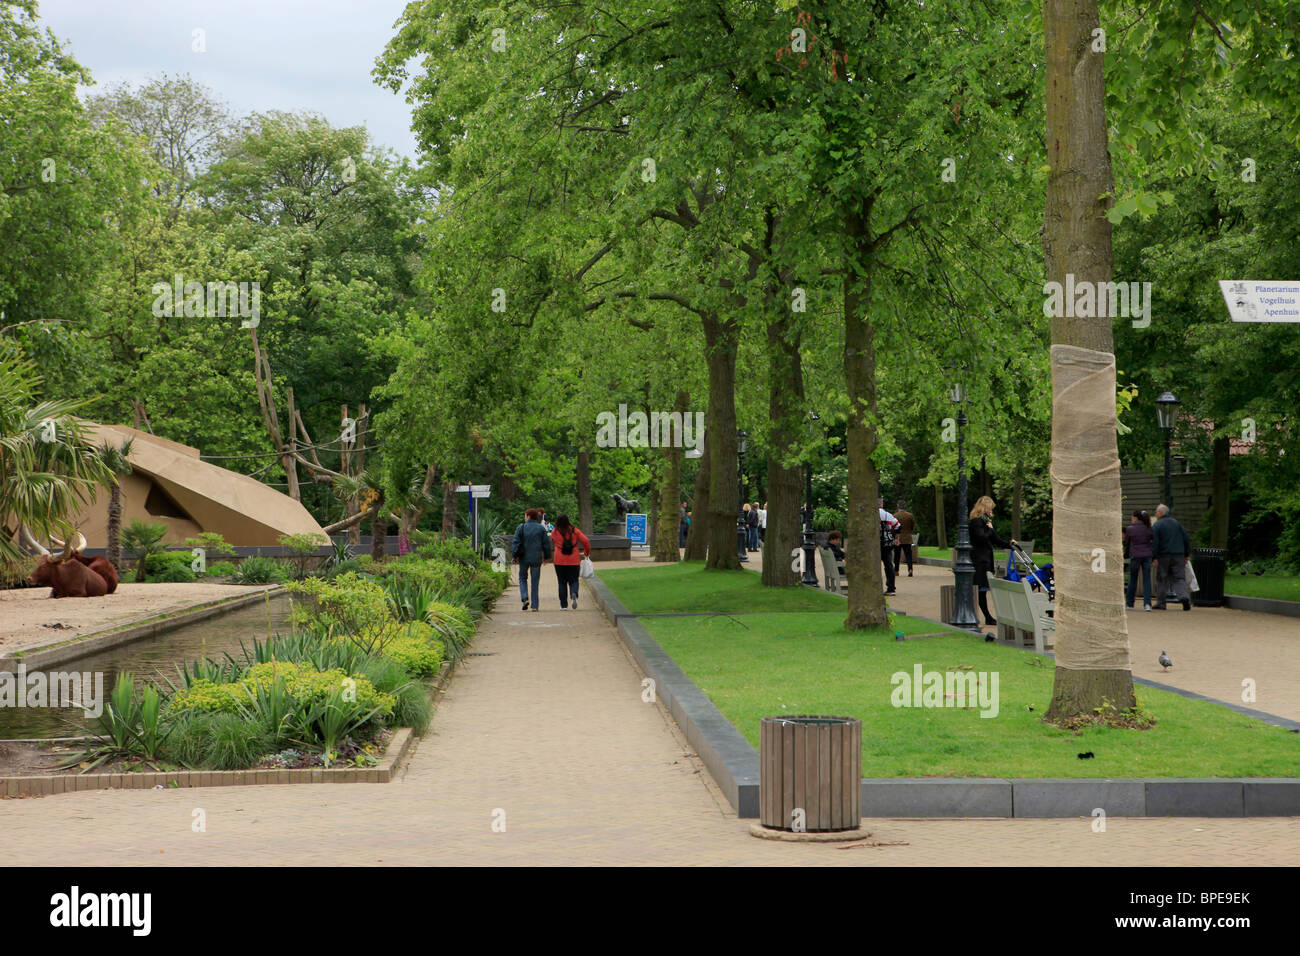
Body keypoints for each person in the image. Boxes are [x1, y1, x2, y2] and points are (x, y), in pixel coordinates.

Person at [969, 495, 1016, 625]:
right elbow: (982, 538)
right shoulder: (976, 522)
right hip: (979, 561)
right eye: (990, 509)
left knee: (982, 590)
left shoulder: (984, 522)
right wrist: (990, 529)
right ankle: (987, 617)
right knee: (981, 590)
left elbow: (995, 539)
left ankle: (987, 617)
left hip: (985, 560)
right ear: (984, 508)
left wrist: (1009, 545)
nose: (991, 512)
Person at [512, 508, 553, 611]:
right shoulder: (541, 528)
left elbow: (515, 543)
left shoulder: (521, 527)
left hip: (523, 558)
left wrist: (514, 556)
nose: (524, 517)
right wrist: (547, 557)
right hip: (536, 558)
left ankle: (524, 597)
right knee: (535, 582)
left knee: (522, 578)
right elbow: (546, 544)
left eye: (525, 515)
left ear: (528, 516)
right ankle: (534, 606)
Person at [1152, 503, 1192, 611]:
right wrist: (1187, 554)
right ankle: (1184, 597)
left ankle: (1161, 603)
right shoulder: (1176, 523)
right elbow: (1185, 538)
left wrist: (1154, 557)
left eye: (1156, 512)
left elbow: (1155, 543)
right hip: (1178, 555)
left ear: (1160, 513)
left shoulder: (1157, 525)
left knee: (1162, 579)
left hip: (1163, 556)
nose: (1155, 513)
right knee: (1179, 578)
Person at [550, 514, 591, 610]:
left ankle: (563, 606)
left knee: (561, 582)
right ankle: (574, 594)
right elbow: (586, 541)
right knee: (574, 580)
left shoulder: (555, 532)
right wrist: (586, 553)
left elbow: (553, 541)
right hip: (573, 560)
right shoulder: (575, 531)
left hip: (559, 560)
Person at [1123, 508, 1155, 611]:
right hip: (1147, 556)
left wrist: (1126, 555)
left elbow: (1127, 544)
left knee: (1133, 579)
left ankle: (1130, 603)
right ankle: (1147, 604)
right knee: (1146, 579)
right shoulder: (1149, 528)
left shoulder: (1130, 529)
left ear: (1135, 517)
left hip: (1135, 555)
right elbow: (1152, 541)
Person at [878, 497, 901, 596]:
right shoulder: (888, 515)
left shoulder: (871, 515)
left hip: (876, 544)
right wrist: (896, 538)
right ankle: (891, 588)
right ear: (881, 504)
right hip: (887, 543)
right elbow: (898, 526)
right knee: (888, 565)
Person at [893, 499, 915, 578]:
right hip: (907, 538)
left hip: (898, 538)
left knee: (897, 555)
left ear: (898, 506)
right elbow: (912, 526)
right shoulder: (910, 515)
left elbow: (893, 527)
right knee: (908, 555)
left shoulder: (895, 515)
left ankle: (896, 571)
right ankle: (910, 569)